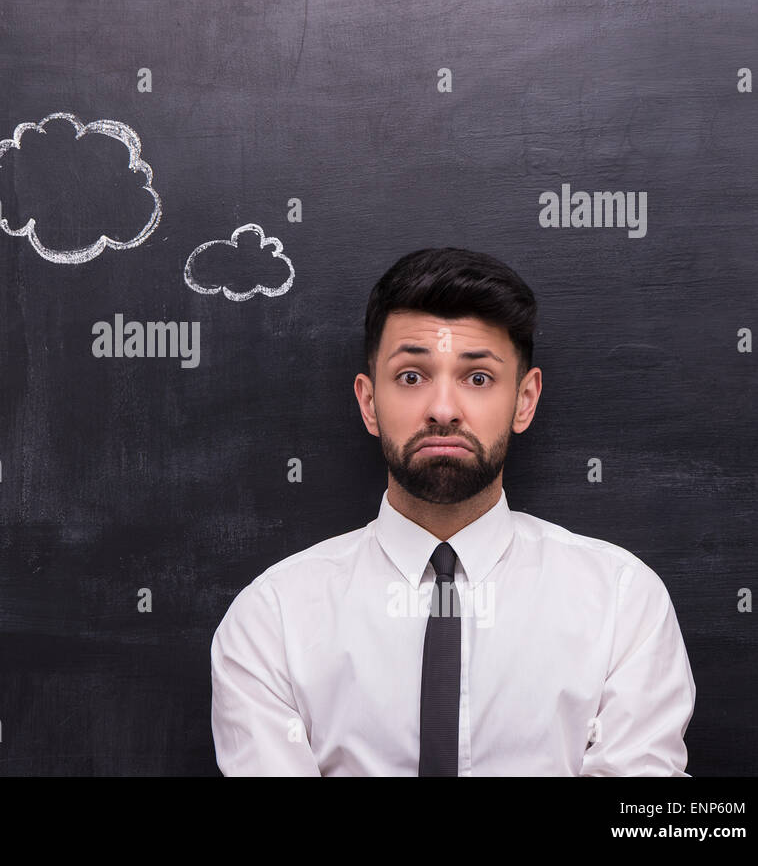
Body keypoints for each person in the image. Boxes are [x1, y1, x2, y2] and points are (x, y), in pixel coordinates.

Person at [210, 247, 696, 775]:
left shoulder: (623, 604)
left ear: (525, 400)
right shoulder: (271, 620)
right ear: (369, 403)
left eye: (478, 378)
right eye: (412, 376)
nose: (443, 410)